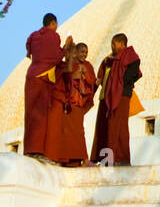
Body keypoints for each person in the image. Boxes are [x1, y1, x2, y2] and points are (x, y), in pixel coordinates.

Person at [44, 37, 89, 165]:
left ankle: (81, 158)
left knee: (78, 132)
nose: (83, 55)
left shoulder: (84, 66)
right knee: (61, 131)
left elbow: (90, 84)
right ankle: (60, 158)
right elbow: (67, 72)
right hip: (62, 101)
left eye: (86, 52)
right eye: (80, 52)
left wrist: (84, 77)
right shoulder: (60, 66)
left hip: (75, 102)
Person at [98, 33, 141, 166]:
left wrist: (119, 83)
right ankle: (112, 159)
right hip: (112, 94)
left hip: (122, 94)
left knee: (118, 126)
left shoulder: (131, 57)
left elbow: (133, 74)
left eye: (114, 43)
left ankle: (117, 159)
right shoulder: (111, 59)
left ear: (122, 43)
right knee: (112, 126)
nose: (112, 46)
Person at [23, 13, 62, 159]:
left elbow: (31, 50)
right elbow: (56, 58)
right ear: (53, 23)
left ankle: (28, 149)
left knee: (30, 114)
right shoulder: (53, 36)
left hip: (31, 76)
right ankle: (37, 150)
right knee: (41, 115)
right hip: (42, 78)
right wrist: (66, 47)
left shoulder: (34, 36)